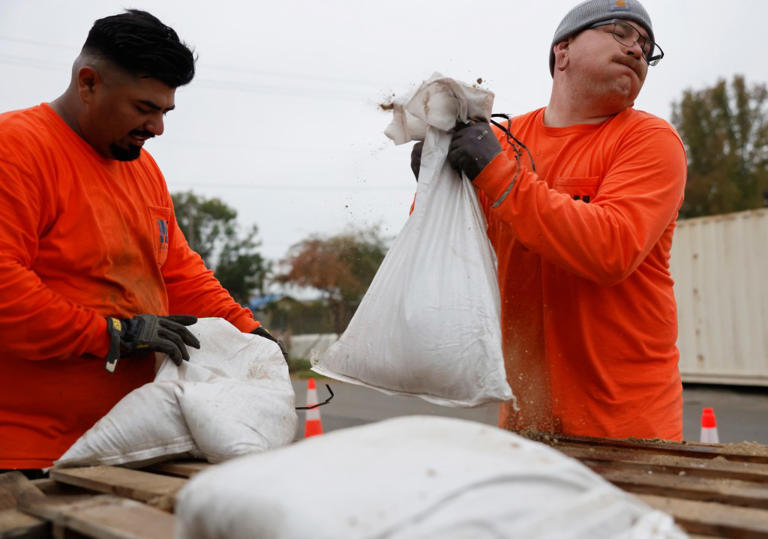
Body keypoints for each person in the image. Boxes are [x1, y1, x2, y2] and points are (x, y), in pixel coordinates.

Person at [0, 10, 279, 474]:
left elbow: (177, 271)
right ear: (89, 84)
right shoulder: (16, 149)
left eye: (164, 112)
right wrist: (111, 334)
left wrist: (248, 333)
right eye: (143, 109)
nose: (157, 128)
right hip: (27, 455)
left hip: (129, 444)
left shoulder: (142, 169)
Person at [413, 0, 686, 440]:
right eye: (619, 32)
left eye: (646, 45)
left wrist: (494, 172)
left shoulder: (649, 140)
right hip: (526, 424)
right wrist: (434, 187)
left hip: (629, 428)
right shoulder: (502, 140)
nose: (637, 49)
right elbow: (450, 249)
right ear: (563, 53)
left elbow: (611, 249)